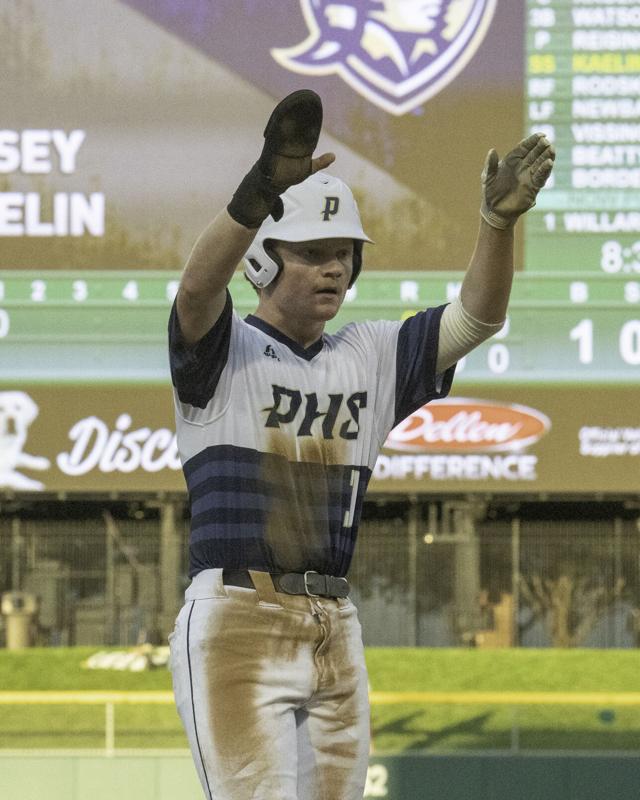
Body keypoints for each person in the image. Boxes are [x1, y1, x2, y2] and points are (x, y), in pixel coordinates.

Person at [167, 89, 554, 800]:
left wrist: (495, 224)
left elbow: (477, 318)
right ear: (260, 260)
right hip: (239, 617)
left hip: (334, 621)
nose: (335, 268)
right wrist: (255, 195)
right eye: (313, 253)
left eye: (344, 254)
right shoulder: (225, 348)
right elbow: (196, 292)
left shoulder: (370, 352)